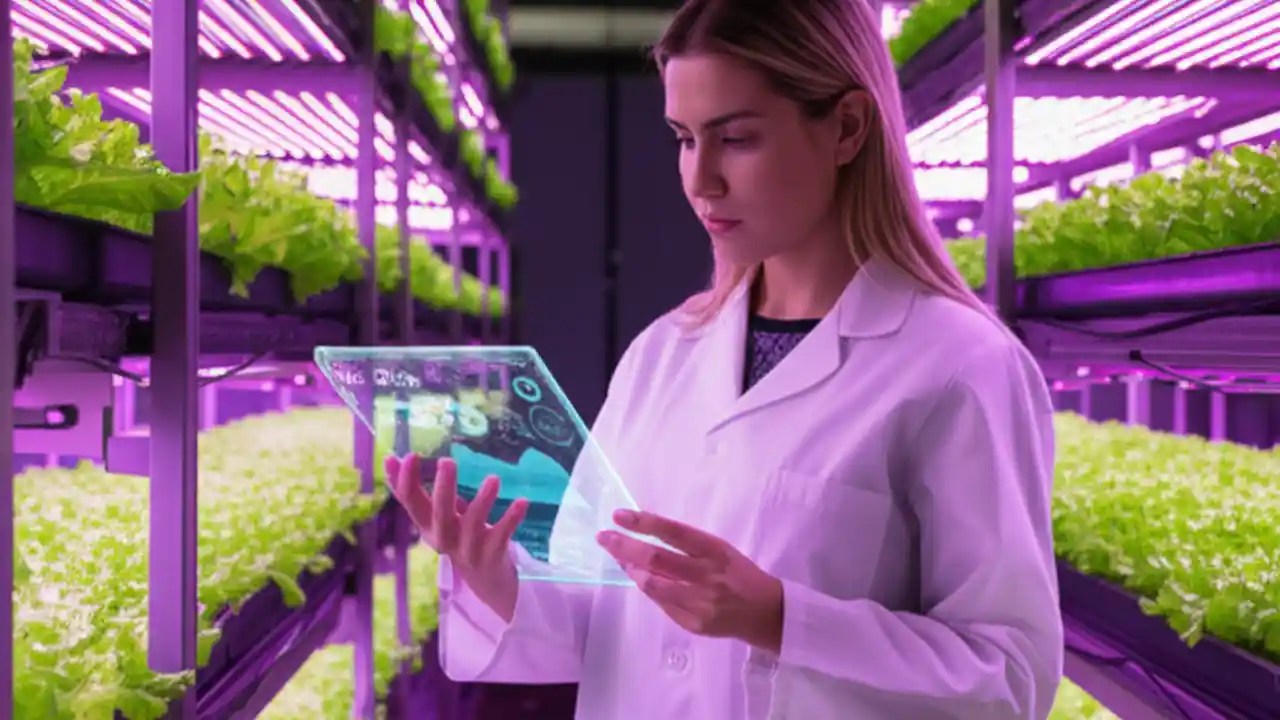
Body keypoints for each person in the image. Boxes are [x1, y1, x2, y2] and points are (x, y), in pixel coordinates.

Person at [385, 0, 1064, 717]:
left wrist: (778, 617)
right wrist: (491, 572)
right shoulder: (663, 353)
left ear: (847, 128)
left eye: (736, 139)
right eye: (684, 138)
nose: (700, 179)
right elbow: (603, 612)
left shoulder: (960, 367)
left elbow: (1011, 679)